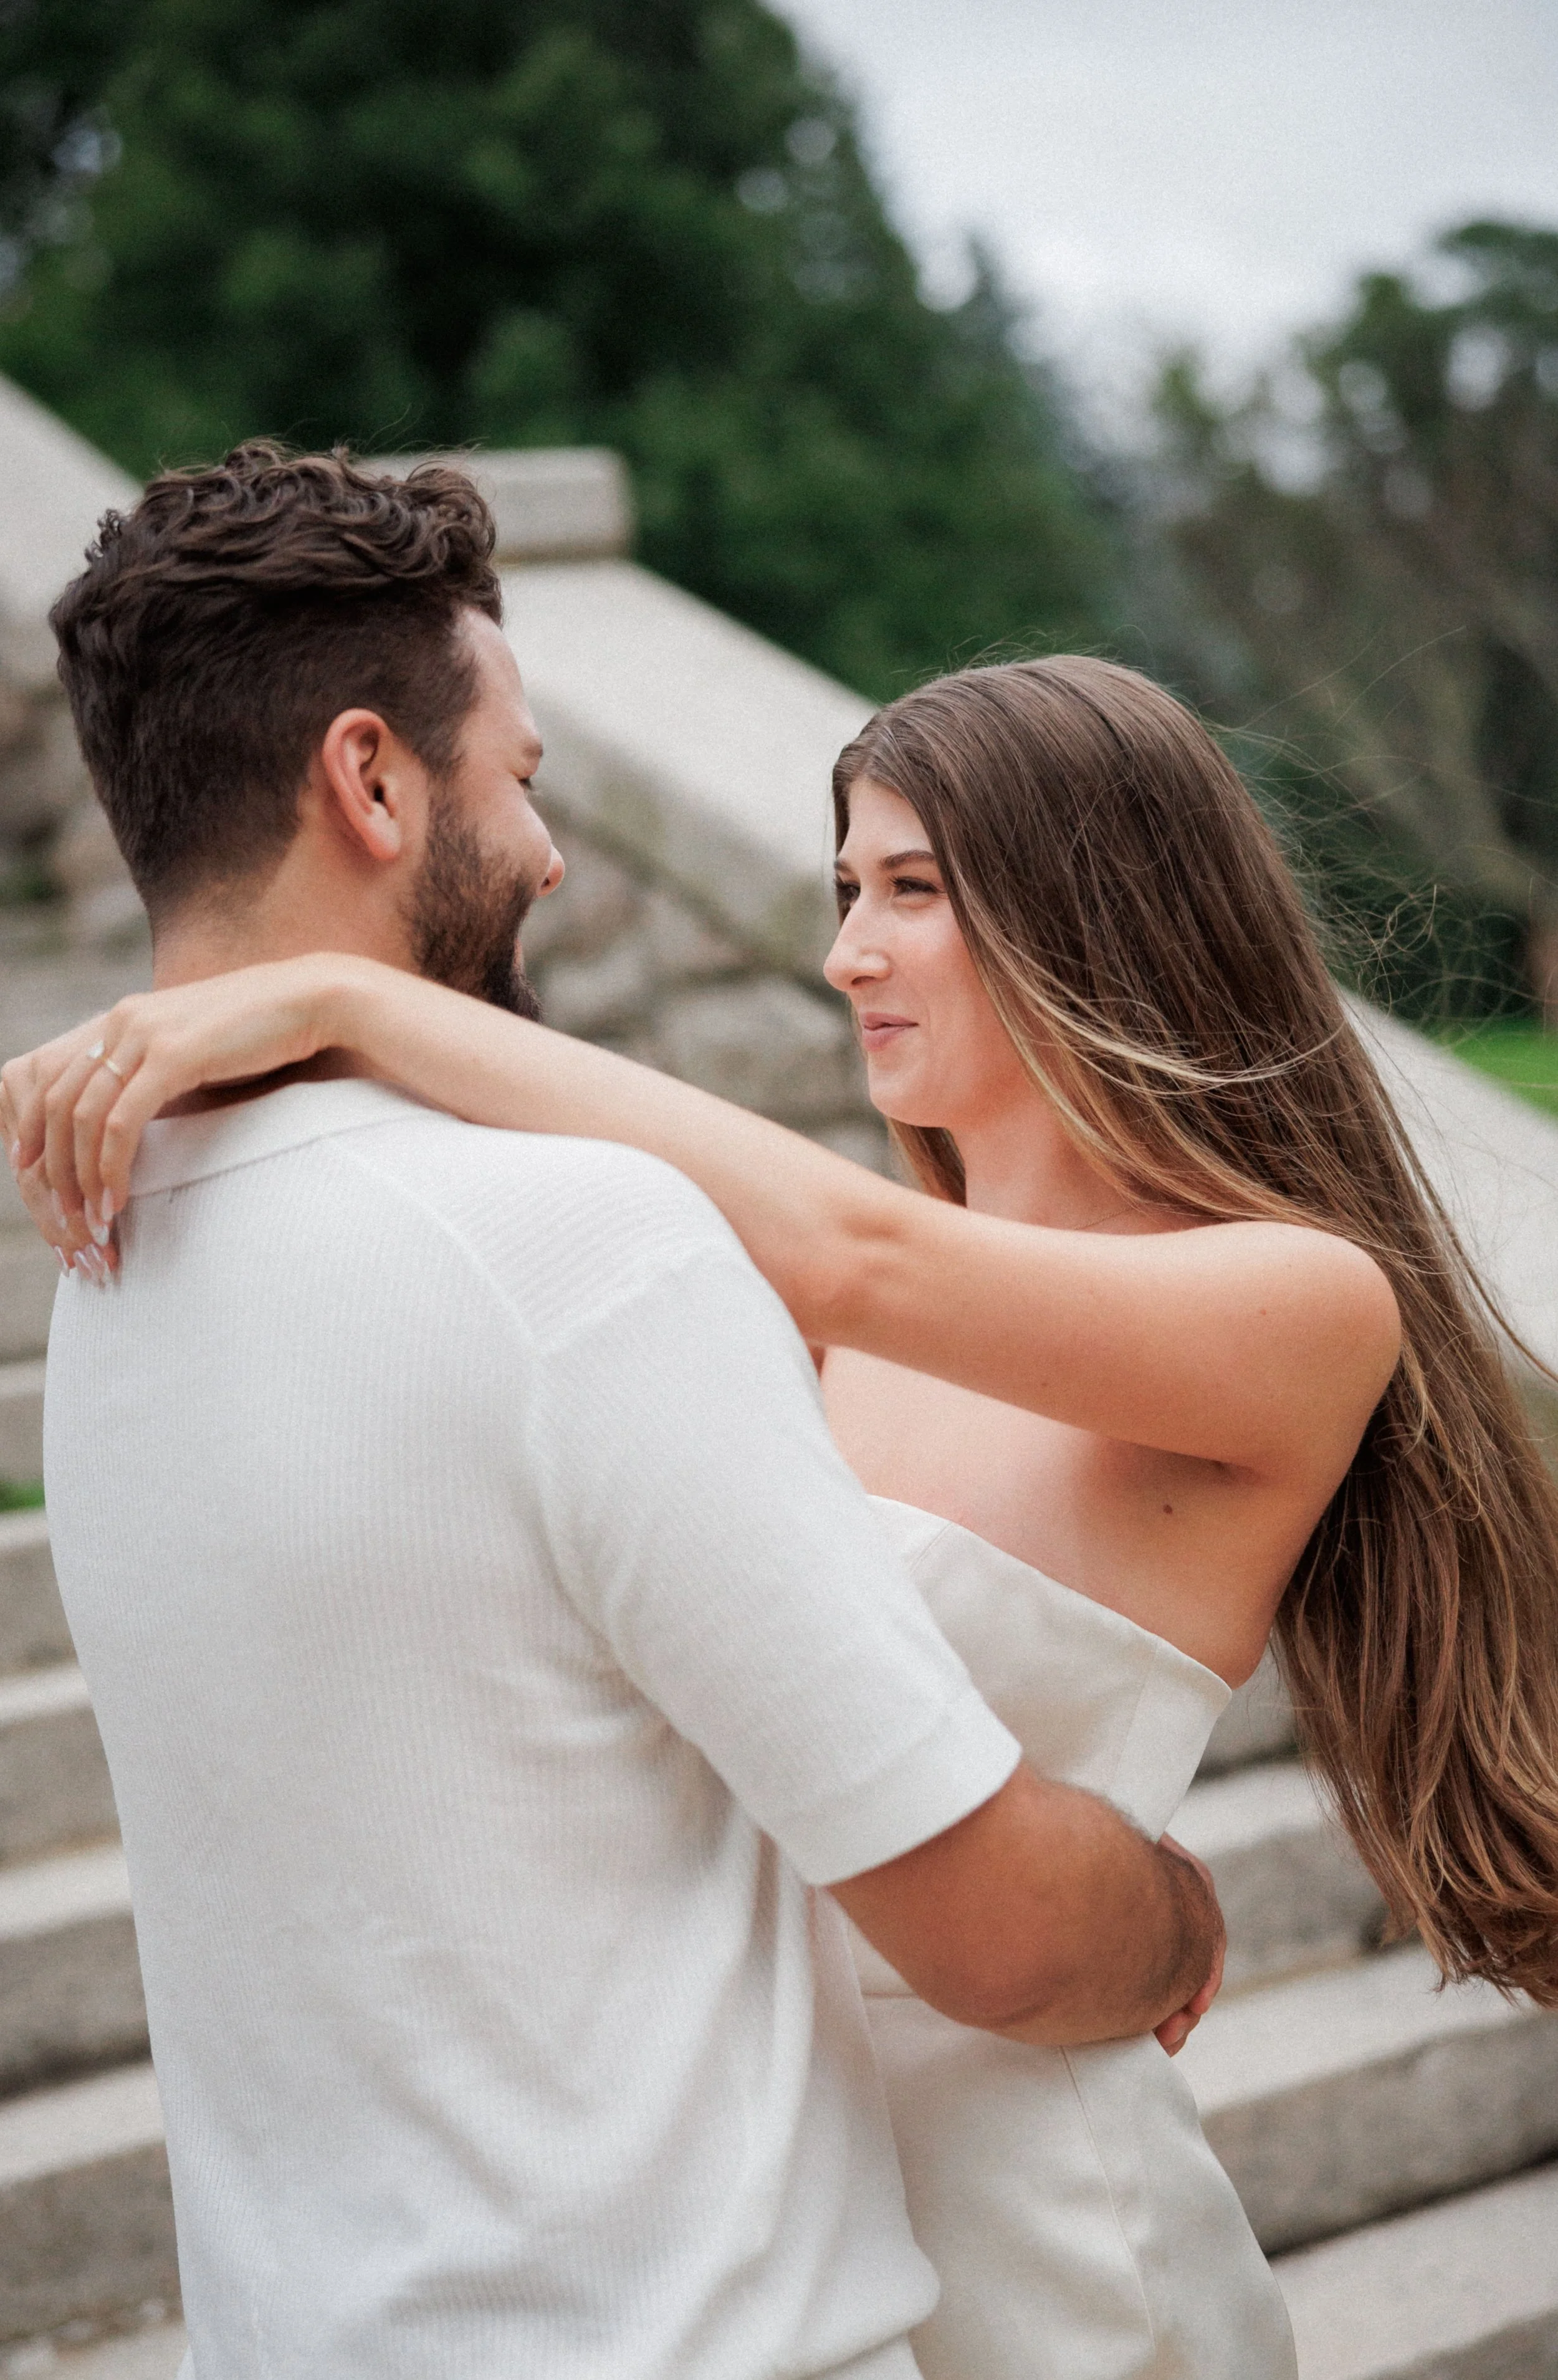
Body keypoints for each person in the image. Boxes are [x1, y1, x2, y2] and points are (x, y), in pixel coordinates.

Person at [22, 646, 1558, 2380]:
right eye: (843, 891)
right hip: (774, 2197)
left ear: (1095, 905)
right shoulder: (822, 1333)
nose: (845, 954)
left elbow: (853, 1245)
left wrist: (352, 1005)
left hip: (1039, 2217)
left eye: (910, 890)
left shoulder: (1293, 1301)